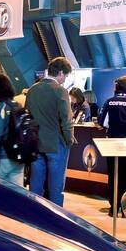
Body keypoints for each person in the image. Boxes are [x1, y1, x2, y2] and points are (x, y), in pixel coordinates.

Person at [26, 57, 74, 204]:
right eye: (65, 76)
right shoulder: (60, 91)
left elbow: (28, 115)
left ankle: (33, 216)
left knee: (35, 185)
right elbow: (66, 120)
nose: (65, 79)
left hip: (36, 143)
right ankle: (56, 221)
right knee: (55, 188)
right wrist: (69, 140)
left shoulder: (32, 89)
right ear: (60, 73)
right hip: (56, 145)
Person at [98, 75, 126, 215]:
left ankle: (114, 208)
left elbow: (101, 123)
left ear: (117, 87)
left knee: (114, 174)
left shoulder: (109, 102)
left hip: (112, 144)